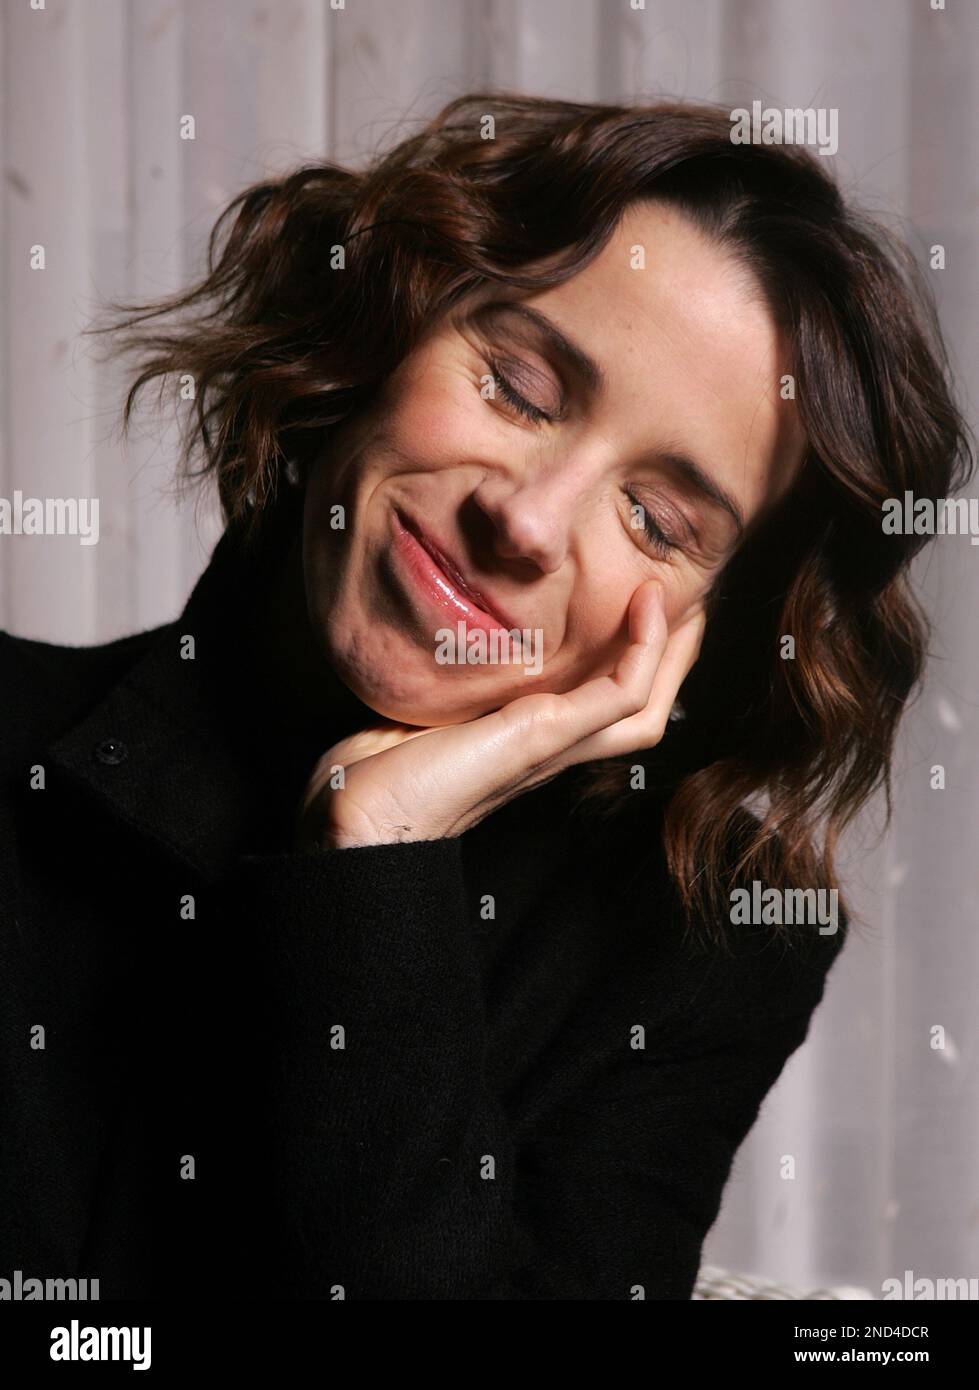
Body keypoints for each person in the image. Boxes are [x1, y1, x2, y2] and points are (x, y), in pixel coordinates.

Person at [0, 95, 971, 1300]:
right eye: (515, 384)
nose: (522, 518)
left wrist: (375, 866)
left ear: (707, 640)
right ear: (377, 337)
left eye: (655, 520)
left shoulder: (694, 958)